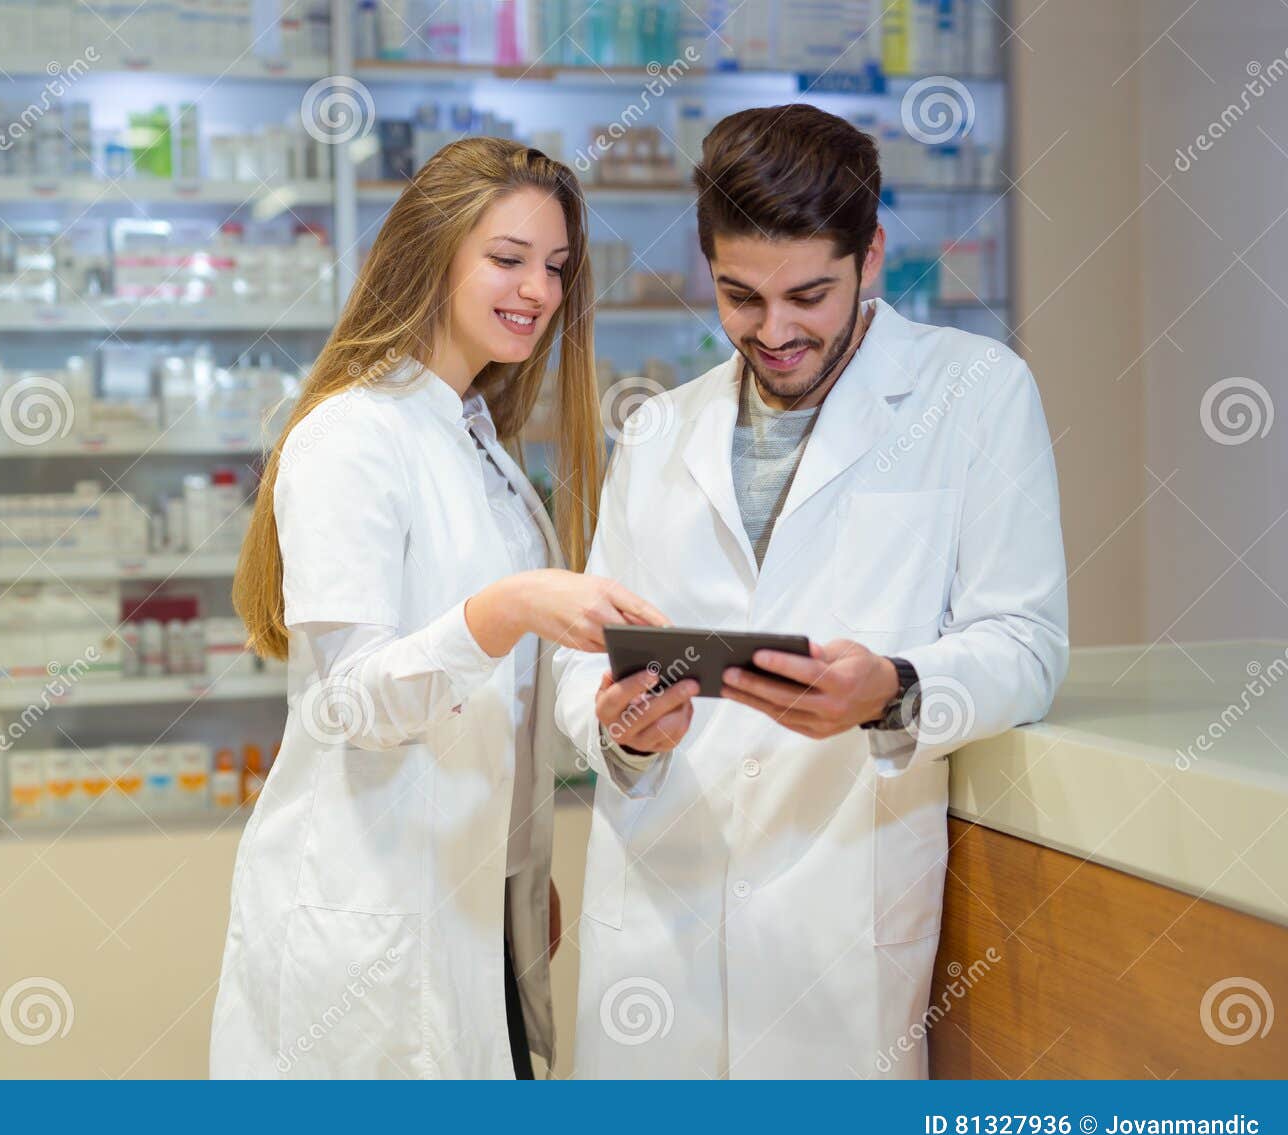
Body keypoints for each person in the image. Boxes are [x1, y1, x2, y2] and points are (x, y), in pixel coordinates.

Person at [553, 104, 1069, 1079]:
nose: (774, 331)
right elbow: (576, 659)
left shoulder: (975, 392)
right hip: (655, 932)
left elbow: (1027, 642)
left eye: (808, 295)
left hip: (836, 925)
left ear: (870, 255)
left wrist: (892, 689)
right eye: (740, 296)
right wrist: (617, 728)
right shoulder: (661, 427)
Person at [211, 137, 665, 1079]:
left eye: (556, 267)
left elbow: (502, 703)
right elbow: (358, 702)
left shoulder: (476, 441)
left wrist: (518, 868)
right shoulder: (352, 435)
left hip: (475, 906)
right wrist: (509, 607)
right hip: (369, 918)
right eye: (507, 259)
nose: (537, 290)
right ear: (431, 255)